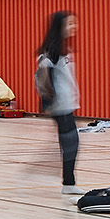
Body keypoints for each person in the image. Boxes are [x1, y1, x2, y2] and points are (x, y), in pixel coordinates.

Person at [35, 11, 80, 195]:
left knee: (70, 143)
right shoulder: (52, 51)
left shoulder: (63, 49)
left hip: (67, 102)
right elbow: (42, 74)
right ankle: (68, 184)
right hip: (60, 104)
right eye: (69, 24)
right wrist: (48, 99)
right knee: (71, 142)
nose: (74, 27)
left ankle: (68, 182)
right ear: (59, 27)